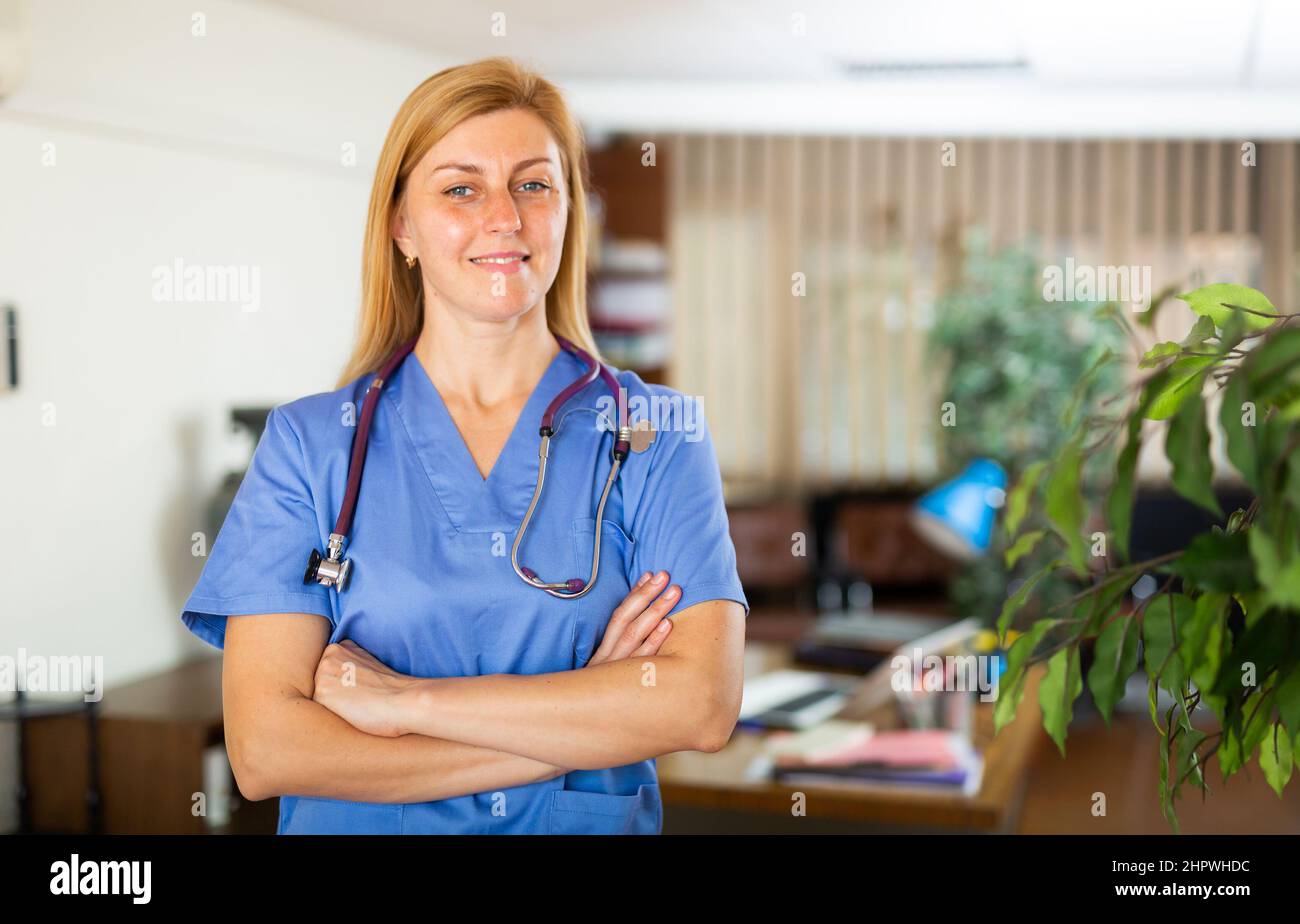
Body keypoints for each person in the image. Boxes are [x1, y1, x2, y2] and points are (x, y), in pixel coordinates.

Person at [180, 57, 748, 834]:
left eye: (533, 183)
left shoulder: (658, 434)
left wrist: (407, 704)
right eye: (460, 188)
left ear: (567, 210)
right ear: (402, 226)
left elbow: (701, 706)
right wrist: (586, 716)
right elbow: (268, 751)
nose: (505, 217)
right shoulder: (310, 446)